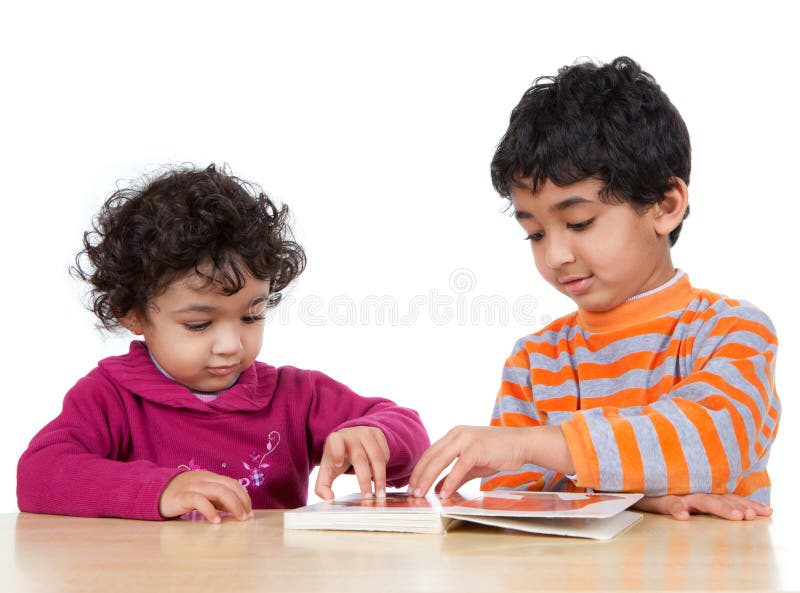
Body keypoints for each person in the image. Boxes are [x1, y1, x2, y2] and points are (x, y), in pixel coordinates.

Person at [409, 57, 780, 521]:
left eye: (579, 222)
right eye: (535, 234)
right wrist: (642, 499)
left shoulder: (732, 331)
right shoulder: (535, 362)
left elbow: (711, 443)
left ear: (665, 206)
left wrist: (534, 446)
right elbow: (514, 498)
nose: (555, 255)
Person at [17, 164, 429, 523]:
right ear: (133, 313)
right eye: (199, 324)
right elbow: (39, 475)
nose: (231, 345)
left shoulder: (296, 397)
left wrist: (374, 435)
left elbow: (407, 432)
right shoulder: (110, 397)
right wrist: (159, 490)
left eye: (251, 316)